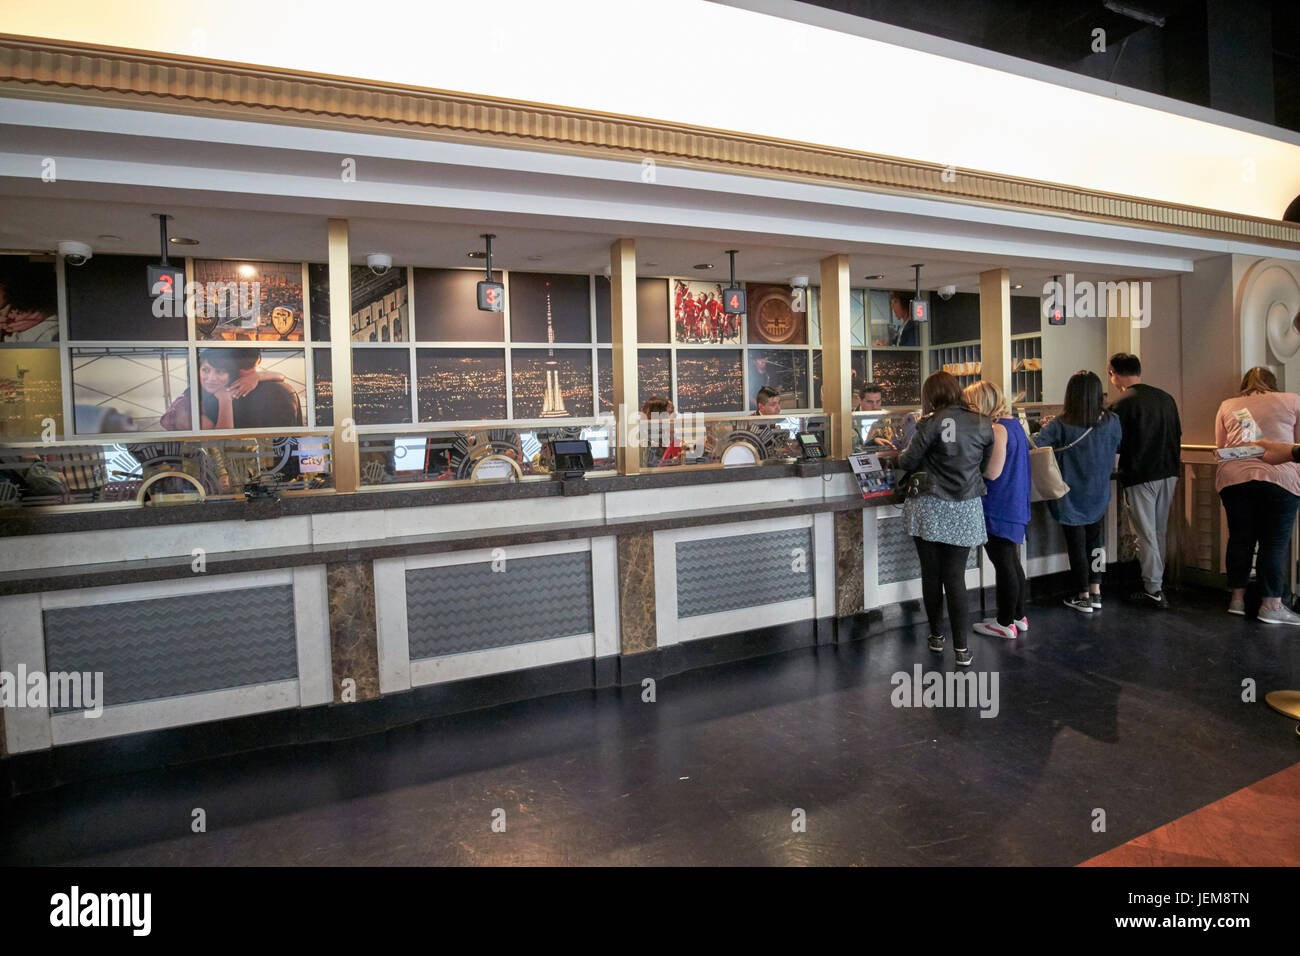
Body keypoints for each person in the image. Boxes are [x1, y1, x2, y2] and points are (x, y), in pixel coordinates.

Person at [897, 370, 993, 667]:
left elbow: (908, 461)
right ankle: (962, 649)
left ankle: (936, 636)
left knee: (931, 574)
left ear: (931, 396)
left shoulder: (929, 422)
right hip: (965, 505)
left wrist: (896, 455)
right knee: (955, 577)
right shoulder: (982, 422)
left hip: (929, 503)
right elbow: (984, 465)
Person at [1214, 367, 1300, 625]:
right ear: (1274, 383)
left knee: (1240, 539)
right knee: (1274, 543)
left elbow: (1221, 447)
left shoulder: (1228, 405)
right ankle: (1270, 605)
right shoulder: (1292, 400)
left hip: (1234, 479)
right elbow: (1296, 448)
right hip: (1279, 479)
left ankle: (1237, 600)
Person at [1033, 370, 1122, 614]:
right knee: (1096, 542)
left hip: (1070, 492)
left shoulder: (1060, 423)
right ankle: (1096, 590)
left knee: (1076, 544)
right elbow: (1118, 446)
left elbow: (1037, 446)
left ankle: (1082, 594)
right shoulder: (1112, 420)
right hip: (1099, 491)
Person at [1107, 352, 1182, 608]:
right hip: (1169, 471)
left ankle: (1153, 588)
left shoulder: (1121, 404)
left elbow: (1112, 443)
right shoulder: (1166, 398)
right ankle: (1158, 583)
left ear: (1114, 373)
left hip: (1140, 474)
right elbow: (1177, 434)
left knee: (1145, 533)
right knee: (1158, 530)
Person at [963, 381, 1030, 640]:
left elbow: (993, 471)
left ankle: (1004, 623)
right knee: (1012, 561)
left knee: (1003, 564)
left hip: (998, 504)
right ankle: (1017, 615)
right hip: (1015, 501)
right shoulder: (1014, 424)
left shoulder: (997, 429)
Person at [195, 349, 302, 430]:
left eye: (220, 371)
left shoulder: (233, 392)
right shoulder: (197, 397)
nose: (212, 378)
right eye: (205, 370)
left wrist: (257, 377)